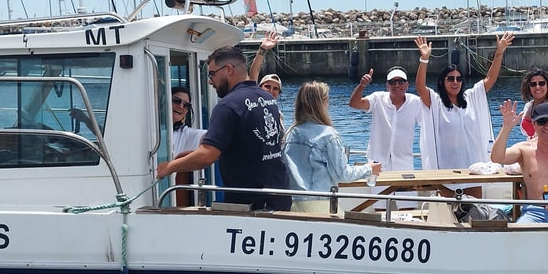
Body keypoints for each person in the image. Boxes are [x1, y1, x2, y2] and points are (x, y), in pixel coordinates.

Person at [157, 46, 291, 211]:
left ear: (228, 70)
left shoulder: (228, 105)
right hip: (280, 196)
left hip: (250, 204)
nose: (210, 81)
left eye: (212, 73)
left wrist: (169, 167)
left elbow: (207, 155)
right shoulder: (267, 99)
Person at [415, 33, 512, 169]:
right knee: (447, 191)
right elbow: (420, 88)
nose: (455, 82)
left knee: (475, 189)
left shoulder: (471, 97)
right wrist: (424, 59)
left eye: (458, 79)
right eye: (450, 79)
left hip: (473, 165)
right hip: (445, 166)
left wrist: (499, 53)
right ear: (442, 82)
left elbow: (490, 79)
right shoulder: (436, 103)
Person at [283, 81, 381, 193]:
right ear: (323, 102)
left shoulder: (290, 133)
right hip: (317, 201)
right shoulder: (328, 135)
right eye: (327, 100)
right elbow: (343, 175)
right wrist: (369, 168)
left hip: (291, 200)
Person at [348, 66, 425, 170]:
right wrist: (362, 86)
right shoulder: (377, 98)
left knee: (404, 186)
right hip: (377, 163)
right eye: (392, 82)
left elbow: (429, 124)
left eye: (401, 81)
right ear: (387, 86)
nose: (397, 85)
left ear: (407, 85)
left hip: (404, 163)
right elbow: (354, 104)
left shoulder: (416, 102)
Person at [169, 85, 207, 206]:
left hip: (168, 197)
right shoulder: (151, 130)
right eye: (176, 100)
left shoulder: (185, 134)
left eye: (186, 105)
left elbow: (211, 137)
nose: (181, 106)